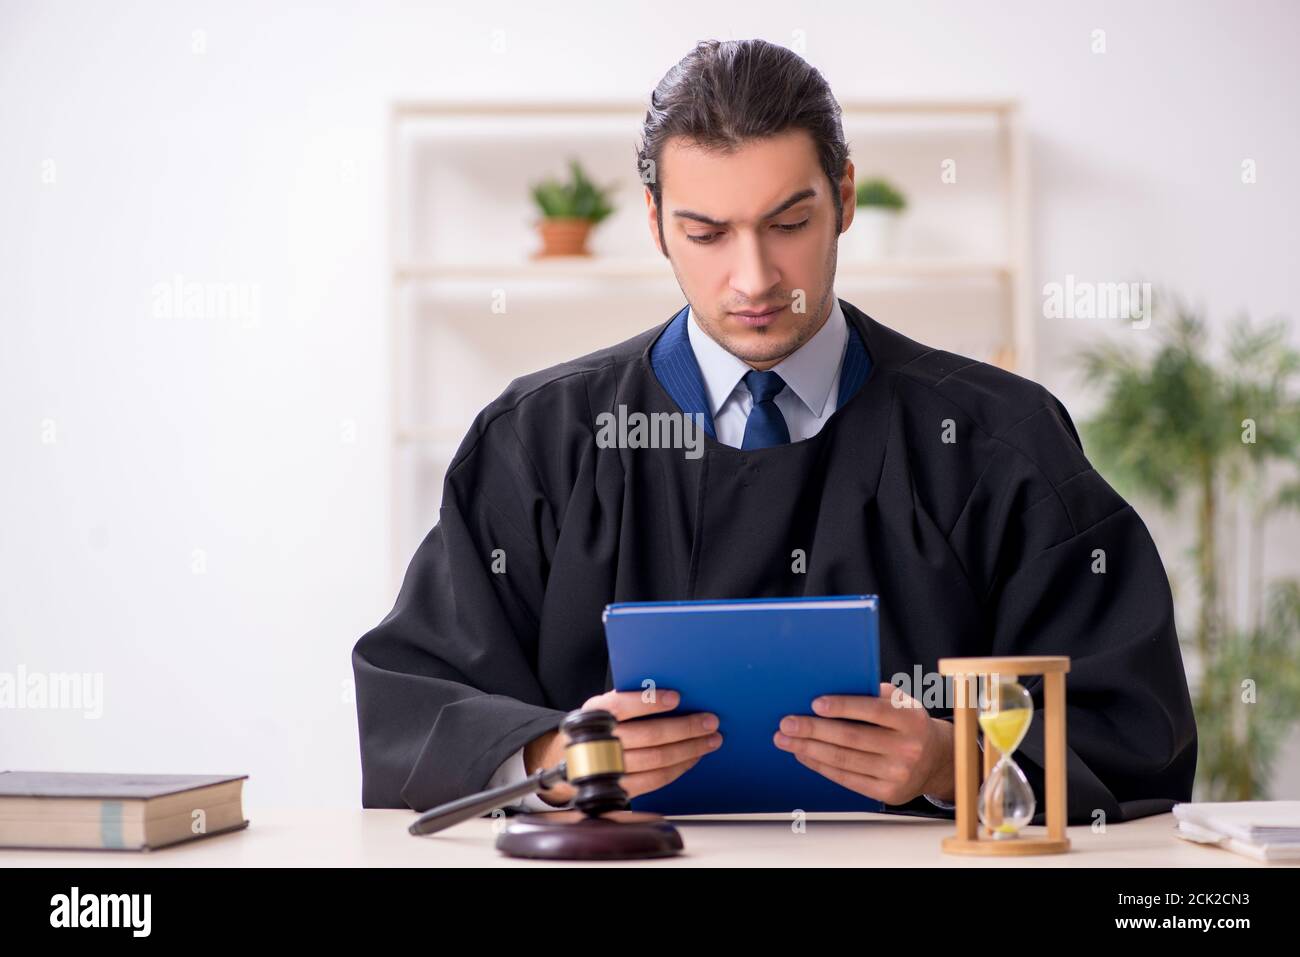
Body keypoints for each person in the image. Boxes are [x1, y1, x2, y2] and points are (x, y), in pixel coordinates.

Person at [352, 38, 1197, 823]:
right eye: (707, 233)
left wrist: (954, 760)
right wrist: (549, 756)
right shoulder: (536, 443)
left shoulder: (997, 440)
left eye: (789, 224)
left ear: (846, 199)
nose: (754, 279)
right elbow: (414, 703)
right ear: (655, 223)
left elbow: (1136, 730)